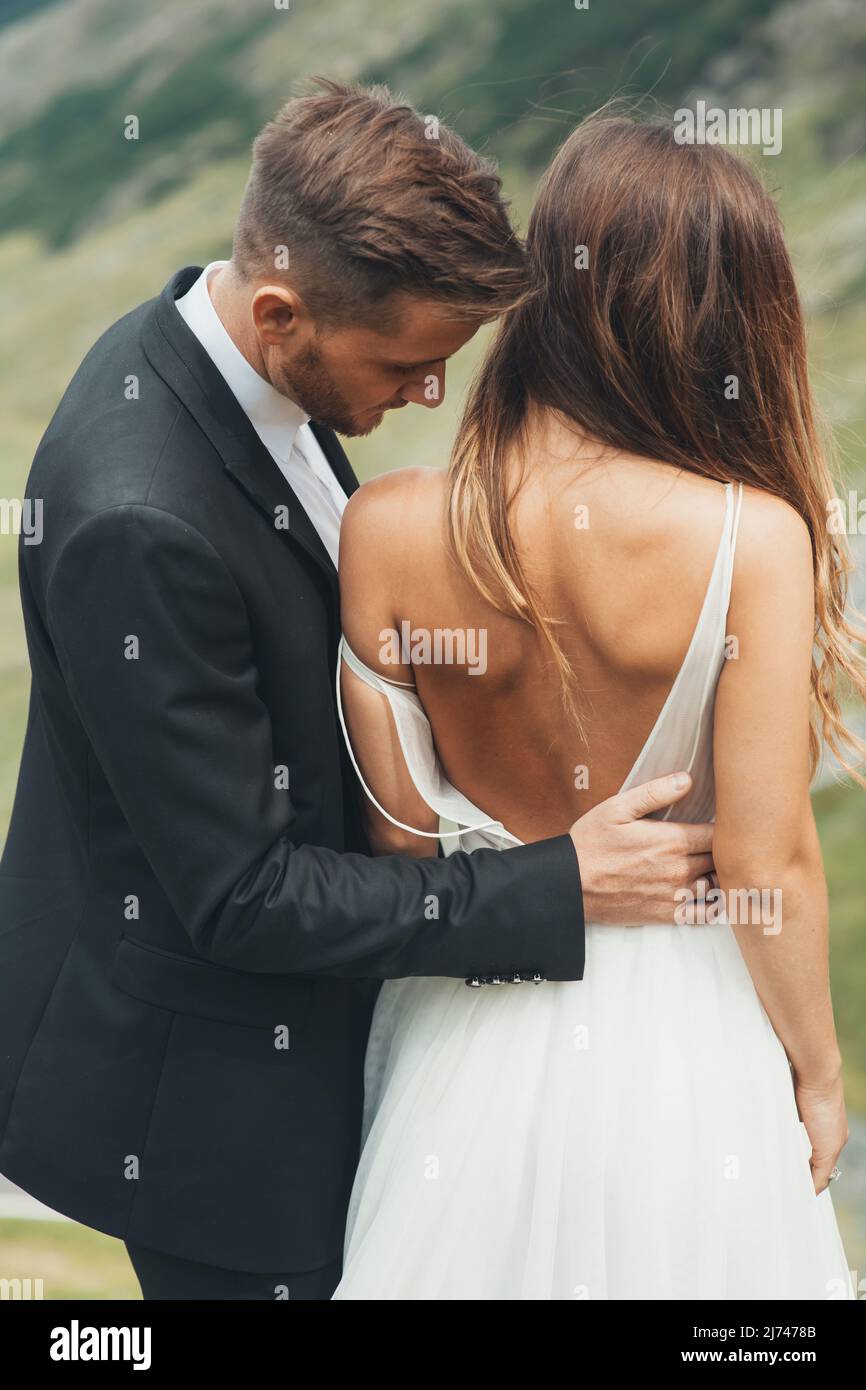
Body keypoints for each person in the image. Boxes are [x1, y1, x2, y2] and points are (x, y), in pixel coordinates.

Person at [0, 85, 711, 1301]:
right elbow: (245, 898)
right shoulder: (140, 524)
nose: (429, 397)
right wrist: (558, 882)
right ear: (282, 314)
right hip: (209, 1119)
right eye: (407, 365)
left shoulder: (222, 356)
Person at [332, 115, 863, 1300]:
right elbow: (764, 854)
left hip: (457, 1030)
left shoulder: (386, 527)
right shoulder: (750, 538)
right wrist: (819, 1074)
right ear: (731, 316)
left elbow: (401, 845)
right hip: (685, 1033)